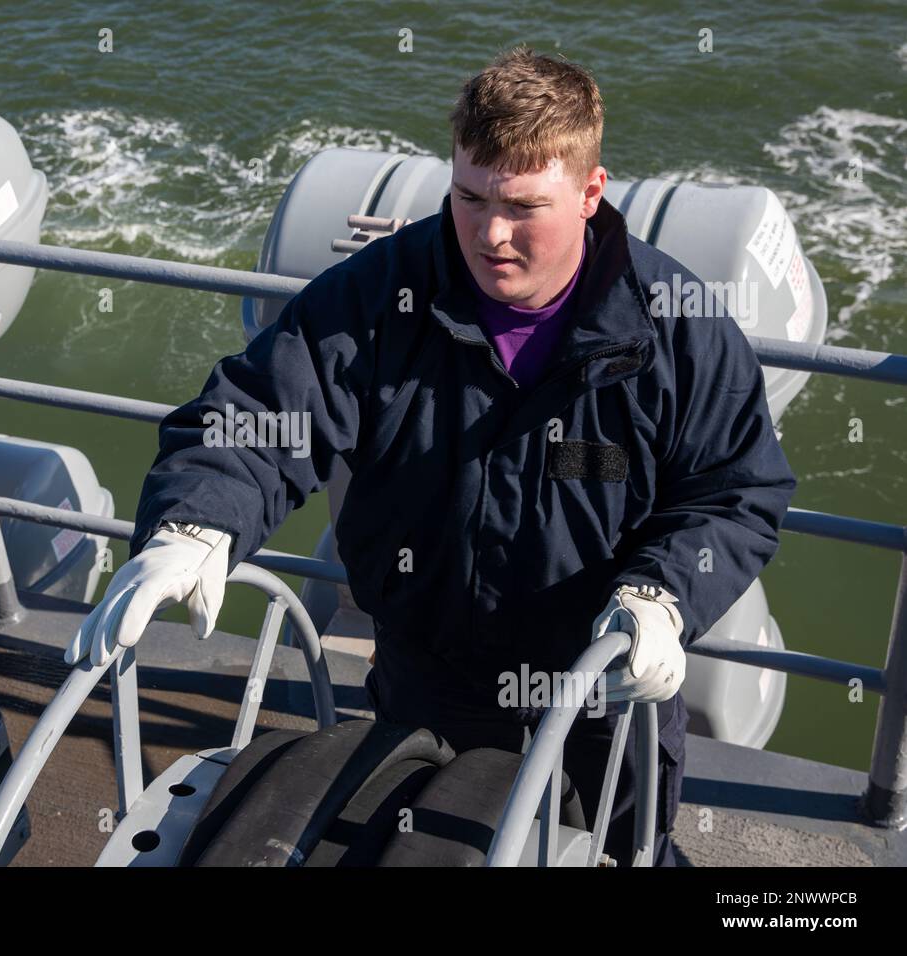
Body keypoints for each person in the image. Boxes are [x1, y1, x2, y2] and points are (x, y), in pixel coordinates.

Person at [65, 46, 797, 866]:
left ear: (592, 193)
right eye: (469, 196)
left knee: (620, 856)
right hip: (423, 685)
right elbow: (259, 416)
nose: (490, 233)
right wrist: (194, 526)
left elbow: (737, 490)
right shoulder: (377, 297)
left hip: (606, 698)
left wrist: (661, 594)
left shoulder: (681, 332)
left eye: (524, 206)